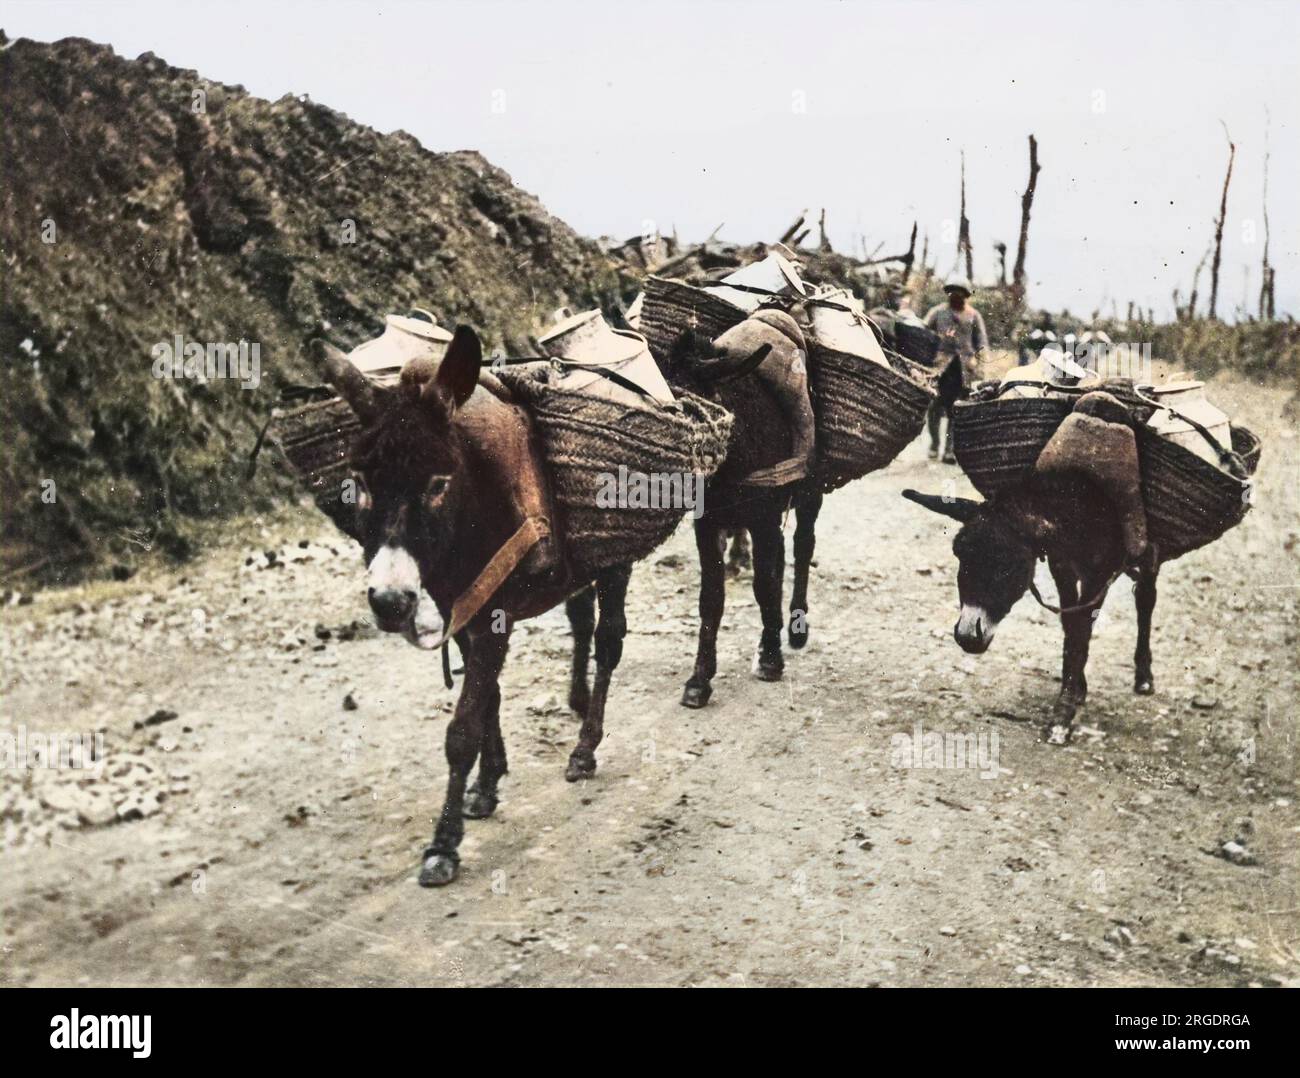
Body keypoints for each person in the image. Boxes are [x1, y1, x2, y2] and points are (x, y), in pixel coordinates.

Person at [924, 275, 988, 463]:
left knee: (956, 410)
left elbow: (982, 343)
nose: (956, 295)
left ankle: (950, 449)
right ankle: (935, 444)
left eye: (960, 292)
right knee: (934, 407)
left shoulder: (973, 315)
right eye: (952, 291)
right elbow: (923, 333)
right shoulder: (937, 312)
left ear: (966, 295)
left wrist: (979, 365)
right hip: (940, 367)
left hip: (963, 370)